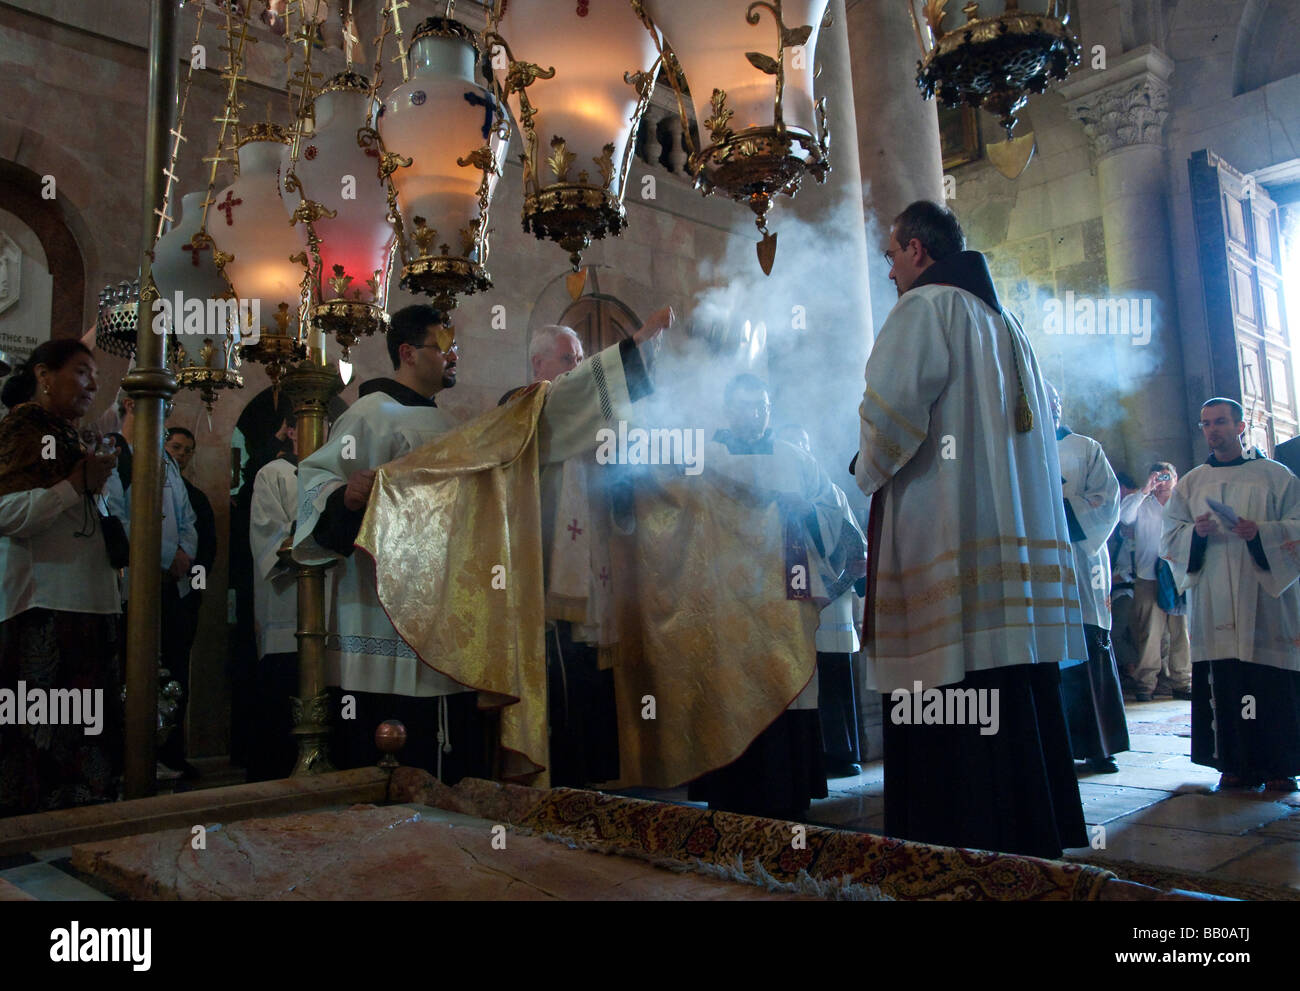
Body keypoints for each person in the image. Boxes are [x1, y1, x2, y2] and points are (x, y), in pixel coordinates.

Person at [295, 303, 672, 781]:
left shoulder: (453, 427)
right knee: (382, 776)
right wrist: (342, 497)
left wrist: (628, 360)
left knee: (448, 774)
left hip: (449, 622)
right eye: (444, 345)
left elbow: (538, 425)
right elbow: (312, 484)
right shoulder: (370, 415)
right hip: (379, 623)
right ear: (408, 353)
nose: (455, 356)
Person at [854, 200, 1087, 858]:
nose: (892, 270)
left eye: (894, 254)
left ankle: (949, 840)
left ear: (919, 252)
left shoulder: (926, 309)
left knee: (948, 689)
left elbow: (892, 413)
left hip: (947, 541)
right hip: (1007, 563)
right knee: (1007, 695)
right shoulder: (1006, 326)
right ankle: (1027, 833)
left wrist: (862, 464)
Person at [686, 377, 865, 819]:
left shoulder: (795, 458)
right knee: (730, 687)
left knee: (789, 681)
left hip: (788, 590)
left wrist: (802, 511)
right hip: (726, 595)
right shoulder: (706, 458)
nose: (754, 414)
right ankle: (729, 791)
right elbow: (682, 519)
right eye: (745, 406)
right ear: (729, 410)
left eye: (762, 406)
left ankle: (789, 789)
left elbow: (833, 508)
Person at [0, 340, 123, 814]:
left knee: (86, 742)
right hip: (43, 607)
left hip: (90, 605)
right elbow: (7, 513)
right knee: (39, 742)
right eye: (81, 372)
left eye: (95, 374)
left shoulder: (71, 435)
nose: (93, 383)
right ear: (44, 375)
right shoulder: (22, 430)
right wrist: (76, 487)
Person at [1161, 398, 1300, 792]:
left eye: (1221, 422)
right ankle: (1235, 762)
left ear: (1240, 426)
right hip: (1214, 599)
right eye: (1206, 423)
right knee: (1227, 683)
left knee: (1268, 683)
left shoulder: (1276, 476)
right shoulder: (1190, 483)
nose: (1212, 430)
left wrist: (1263, 534)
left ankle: (1279, 765)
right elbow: (1168, 537)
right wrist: (1195, 535)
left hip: (1265, 600)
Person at [509, 324, 620, 787]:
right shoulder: (525, 408)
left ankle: (594, 784)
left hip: (592, 573)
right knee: (560, 690)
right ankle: (562, 785)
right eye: (570, 358)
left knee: (591, 683)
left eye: (580, 358)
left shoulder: (584, 418)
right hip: (544, 579)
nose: (578, 366)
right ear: (540, 366)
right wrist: (632, 350)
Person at [104, 404, 199, 778]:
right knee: (131, 670)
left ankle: (164, 752)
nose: (167, 411)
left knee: (171, 670)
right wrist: (165, 554)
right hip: (133, 584)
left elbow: (187, 518)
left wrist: (184, 554)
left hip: (170, 586)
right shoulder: (116, 455)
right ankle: (127, 757)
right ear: (131, 405)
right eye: (161, 403)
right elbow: (114, 517)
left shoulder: (168, 463)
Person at [1047, 383, 1129, 774]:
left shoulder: (1084, 448)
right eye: (1045, 401)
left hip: (1079, 564)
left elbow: (1106, 499)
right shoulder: (1014, 447)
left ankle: (1098, 745)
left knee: (1087, 644)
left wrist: (1057, 508)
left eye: (1057, 400)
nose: (1054, 407)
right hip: (1037, 570)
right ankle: (1054, 745)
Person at [777, 422, 866, 778]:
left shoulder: (831, 494)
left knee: (835, 680)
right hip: (798, 607)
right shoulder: (779, 497)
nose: (802, 455)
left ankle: (842, 752)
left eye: (805, 446)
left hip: (833, 606)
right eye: (794, 449)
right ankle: (813, 754)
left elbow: (853, 546)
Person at [248, 420, 301, 780]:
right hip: (288, 604)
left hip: (332, 614)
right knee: (282, 702)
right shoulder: (274, 474)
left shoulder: (340, 474)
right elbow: (269, 537)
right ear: (292, 430)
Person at [1119, 462, 1191, 701]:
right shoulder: (1143, 504)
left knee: (1179, 630)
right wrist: (1145, 490)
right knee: (1149, 631)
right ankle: (1145, 684)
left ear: (1176, 478)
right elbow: (1124, 517)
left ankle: (1181, 681)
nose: (1162, 482)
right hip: (1148, 576)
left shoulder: (1183, 504)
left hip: (1177, 574)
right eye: (1157, 477)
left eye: (1166, 477)